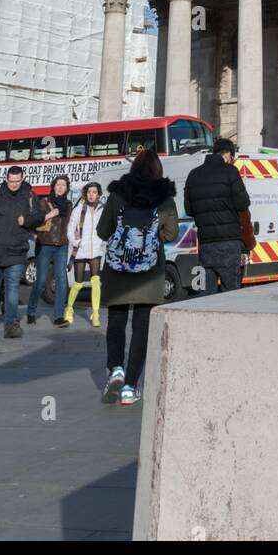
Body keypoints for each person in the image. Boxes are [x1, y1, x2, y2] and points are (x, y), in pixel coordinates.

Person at [97, 149, 179, 405]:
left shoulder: (117, 194)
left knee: (116, 322)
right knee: (142, 328)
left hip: (118, 267)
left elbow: (102, 231)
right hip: (149, 271)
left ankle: (116, 369)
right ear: (158, 170)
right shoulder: (165, 199)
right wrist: (151, 239)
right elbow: (172, 233)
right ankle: (131, 387)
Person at [0, 165, 51, 337]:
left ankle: (11, 325)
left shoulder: (30, 196)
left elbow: (39, 216)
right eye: (11, 181)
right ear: (6, 179)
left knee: (12, 290)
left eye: (17, 181)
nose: (14, 184)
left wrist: (27, 221)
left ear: (22, 179)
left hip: (16, 251)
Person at [183, 138, 250, 295]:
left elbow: (189, 209)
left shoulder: (193, 175)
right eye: (232, 158)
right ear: (227, 155)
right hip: (229, 243)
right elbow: (243, 203)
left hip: (205, 245)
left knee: (205, 294)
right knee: (230, 293)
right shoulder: (230, 172)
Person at [27, 174, 72, 325]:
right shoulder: (43, 202)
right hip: (45, 244)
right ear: (53, 186)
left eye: (63, 185)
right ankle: (31, 309)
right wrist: (49, 215)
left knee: (61, 280)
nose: (60, 187)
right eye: (58, 184)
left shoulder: (69, 204)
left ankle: (59, 316)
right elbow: (34, 220)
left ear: (67, 188)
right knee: (40, 280)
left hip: (62, 245)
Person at [64, 182, 105, 326]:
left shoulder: (102, 209)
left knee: (95, 282)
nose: (91, 195)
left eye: (94, 192)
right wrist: (76, 242)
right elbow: (70, 229)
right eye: (89, 192)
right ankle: (69, 309)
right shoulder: (79, 209)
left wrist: (103, 241)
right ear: (85, 194)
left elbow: (107, 226)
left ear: (98, 194)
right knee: (78, 283)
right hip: (81, 250)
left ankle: (96, 314)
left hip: (96, 250)